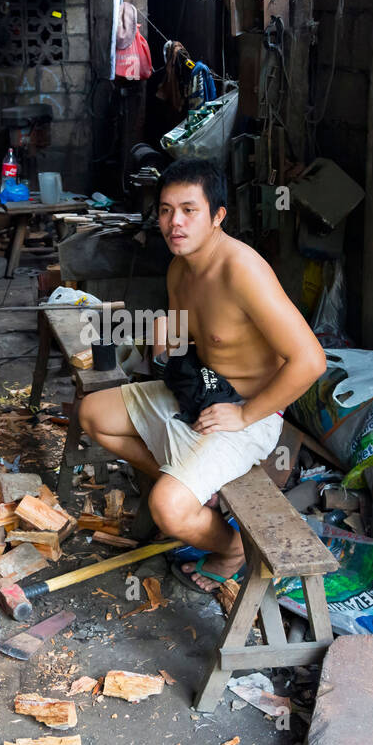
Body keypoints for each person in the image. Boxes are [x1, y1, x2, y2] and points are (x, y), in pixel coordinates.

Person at [77, 159, 325, 593]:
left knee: (167, 509)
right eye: (167, 210)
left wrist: (245, 414)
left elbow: (310, 361)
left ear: (218, 216)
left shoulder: (242, 270)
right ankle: (195, 487)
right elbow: (186, 343)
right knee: (93, 413)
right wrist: (163, 342)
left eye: (190, 210)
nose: (176, 222)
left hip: (247, 416)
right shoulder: (180, 266)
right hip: (199, 393)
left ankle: (229, 546)